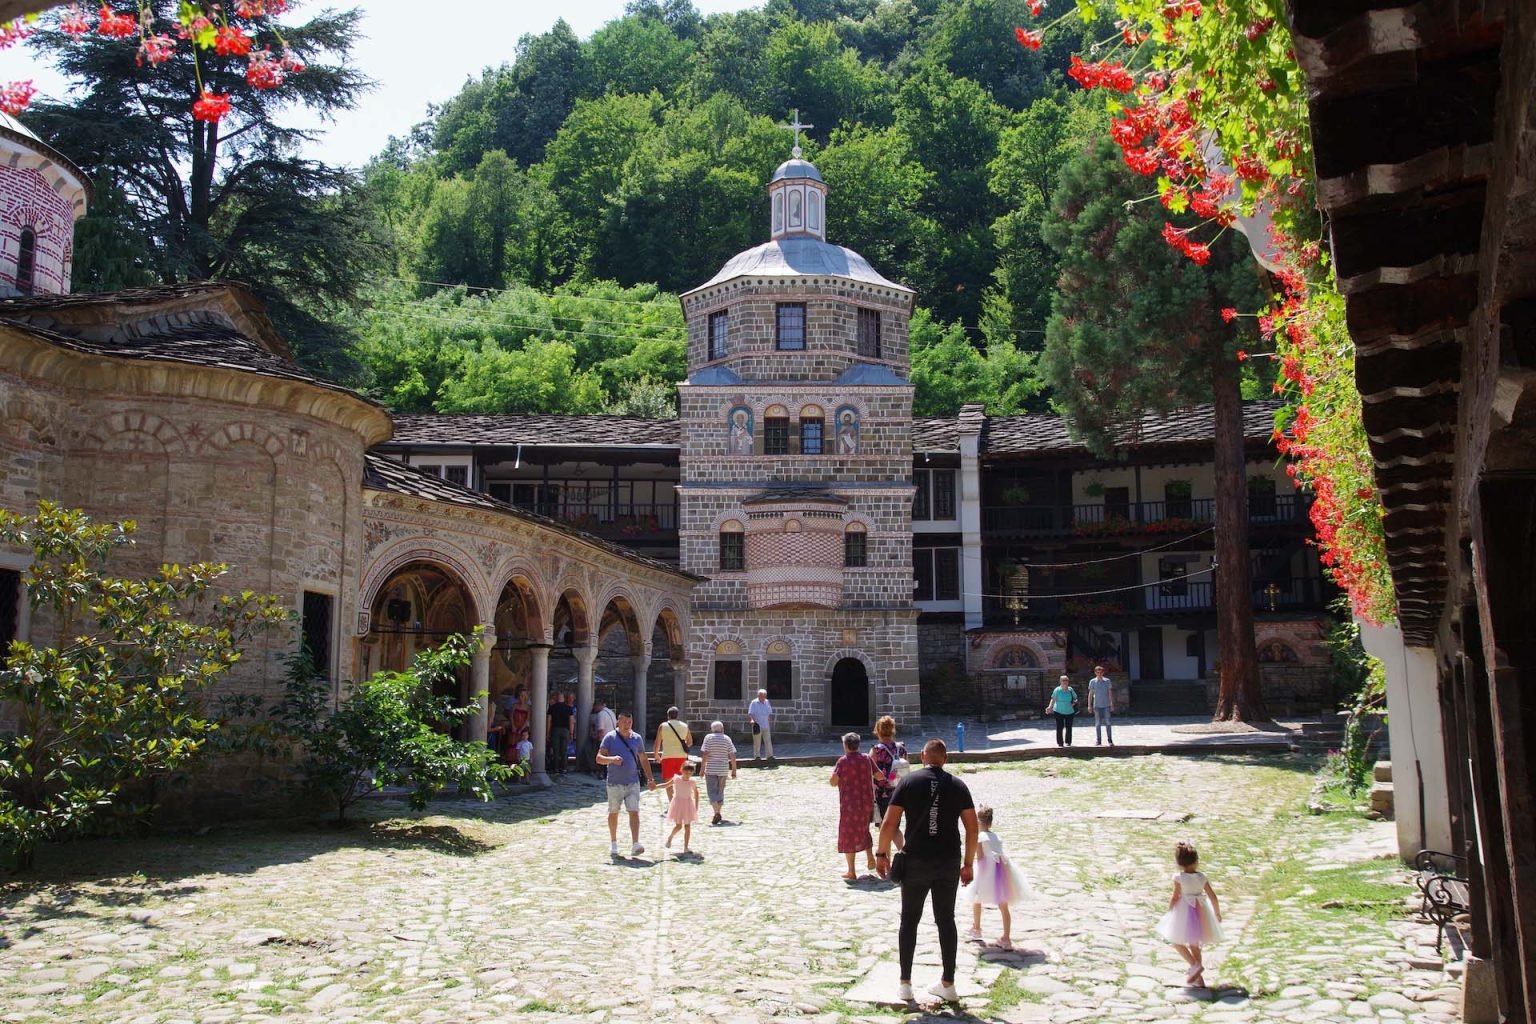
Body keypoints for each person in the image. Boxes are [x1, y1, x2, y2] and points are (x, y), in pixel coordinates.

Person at [876, 739, 978, 1005]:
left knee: (909, 920)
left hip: (916, 862)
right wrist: (968, 863)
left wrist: (881, 854)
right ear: (945, 759)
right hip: (947, 861)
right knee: (946, 920)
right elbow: (972, 827)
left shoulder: (909, 783)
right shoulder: (958, 785)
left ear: (922, 757)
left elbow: (889, 821)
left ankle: (905, 984)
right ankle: (948, 983)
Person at [1154, 841, 1223, 986]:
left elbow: (1175, 896)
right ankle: (1198, 978)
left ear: (1179, 863)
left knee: (1176, 941)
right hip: (1201, 911)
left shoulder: (1179, 877)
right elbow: (1212, 896)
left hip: (1184, 911)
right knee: (1195, 944)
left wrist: (1170, 912)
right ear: (1197, 861)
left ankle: (1194, 965)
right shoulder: (1202, 877)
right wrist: (1217, 913)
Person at [963, 806, 1031, 950]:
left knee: (976, 898)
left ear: (978, 821)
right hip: (1001, 871)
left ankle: (977, 928)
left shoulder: (980, 837)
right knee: (1003, 904)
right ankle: (1006, 938)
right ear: (990, 822)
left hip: (986, 870)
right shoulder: (996, 837)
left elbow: (980, 857)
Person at [595, 711, 657, 858]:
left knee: (634, 811)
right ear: (618, 722)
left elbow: (643, 758)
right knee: (613, 812)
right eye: (624, 722)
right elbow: (598, 758)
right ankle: (614, 843)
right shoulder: (609, 738)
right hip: (614, 782)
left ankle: (635, 843)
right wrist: (611, 759)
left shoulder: (637, 738)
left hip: (633, 781)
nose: (627, 725)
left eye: (629, 722)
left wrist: (650, 779)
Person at [830, 732, 878, 880]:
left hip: (849, 805)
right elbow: (879, 775)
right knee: (864, 829)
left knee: (848, 834)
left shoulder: (843, 761)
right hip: (866, 802)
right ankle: (870, 856)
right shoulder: (866, 759)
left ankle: (851, 871)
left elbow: (833, 781)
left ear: (845, 745)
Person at [869, 715, 908, 848]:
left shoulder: (876, 750)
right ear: (893, 730)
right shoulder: (901, 748)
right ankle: (902, 852)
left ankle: (885, 859)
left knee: (884, 826)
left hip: (882, 793)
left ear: (878, 731)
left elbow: (871, 771)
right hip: (900, 790)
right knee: (895, 826)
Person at [699, 720, 738, 825]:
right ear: (722, 729)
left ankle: (717, 813)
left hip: (711, 769)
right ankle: (718, 813)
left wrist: (702, 769)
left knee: (712, 792)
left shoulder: (708, 738)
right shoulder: (727, 739)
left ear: (712, 729)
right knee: (720, 792)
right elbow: (733, 756)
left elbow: (705, 754)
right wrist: (734, 770)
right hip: (723, 769)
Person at [653, 706, 694, 797]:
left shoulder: (663, 726)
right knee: (682, 781)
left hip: (668, 756)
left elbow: (657, 742)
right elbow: (690, 742)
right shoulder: (685, 726)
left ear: (668, 715)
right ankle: (681, 801)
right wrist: (683, 745)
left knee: (668, 783)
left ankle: (672, 804)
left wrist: (656, 755)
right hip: (682, 757)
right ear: (677, 715)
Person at [664, 758, 700, 855]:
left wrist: (696, 806)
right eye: (686, 772)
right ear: (682, 770)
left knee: (688, 826)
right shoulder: (676, 779)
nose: (688, 775)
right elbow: (666, 785)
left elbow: (696, 793)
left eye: (690, 773)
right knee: (678, 826)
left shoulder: (692, 781)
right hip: (678, 804)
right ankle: (670, 837)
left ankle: (686, 847)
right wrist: (655, 787)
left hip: (688, 804)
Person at [586, 698, 616, 778]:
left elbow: (601, 730)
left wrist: (598, 739)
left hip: (604, 739)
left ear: (598, 706)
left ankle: (602, 773)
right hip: (613, 738)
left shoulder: (601, 714)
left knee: (602, 758)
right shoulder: (611, 712)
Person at [1046, 675, 1079, 747]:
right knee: (1059, 727)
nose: (1065, 682)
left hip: (1070, 711)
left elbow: (1075, 698)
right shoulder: (1057, 690)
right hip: (1058, 711)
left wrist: (1074, 702)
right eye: (1063, 680)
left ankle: (1068, 742)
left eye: (1066, 680)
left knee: (1069, 727)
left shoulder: (1070, 689)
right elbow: (1053, 699)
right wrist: (1049, 707)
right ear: (1060, 681)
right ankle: (1060, 743)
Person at [547, 691, 574, 774]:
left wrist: (547, 732)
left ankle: (556, 769)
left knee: (556, 750)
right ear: (564, 699)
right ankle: (564, 768)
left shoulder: (552, 707)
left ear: (557, 698)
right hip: (565, 730)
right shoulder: (569, 708)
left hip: (555, 729)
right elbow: (571, 721)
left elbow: (549, 720)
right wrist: (571, 732)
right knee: (564, 750)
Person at [1088, 665, 1115, 747]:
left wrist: (1112, 704)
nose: (1099, 673)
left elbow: (1110, 693)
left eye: (1100, 672)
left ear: (1103, 672)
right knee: (1098, 724)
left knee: (1108, 723)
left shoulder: (1107, 681)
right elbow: (1090, 694)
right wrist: (1089, 705)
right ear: (1095, 672)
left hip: (1106, 705)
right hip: (1097, 705)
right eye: (1097, 672)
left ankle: (1110, 740)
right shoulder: (1092, 681)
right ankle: (1098, 740)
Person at [747, 689, 774, 761]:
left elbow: (769, 712)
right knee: (757, 742)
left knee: (768, 740)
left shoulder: (767, 702)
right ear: (758, 695)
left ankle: (770, 756)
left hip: (765, 724)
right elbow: (750, 713)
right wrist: (752, 719)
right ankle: (757, 756)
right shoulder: (754, 702)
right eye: (762, 696)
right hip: (757, 725)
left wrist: (769, 720)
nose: (764, 697)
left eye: (765, 696)